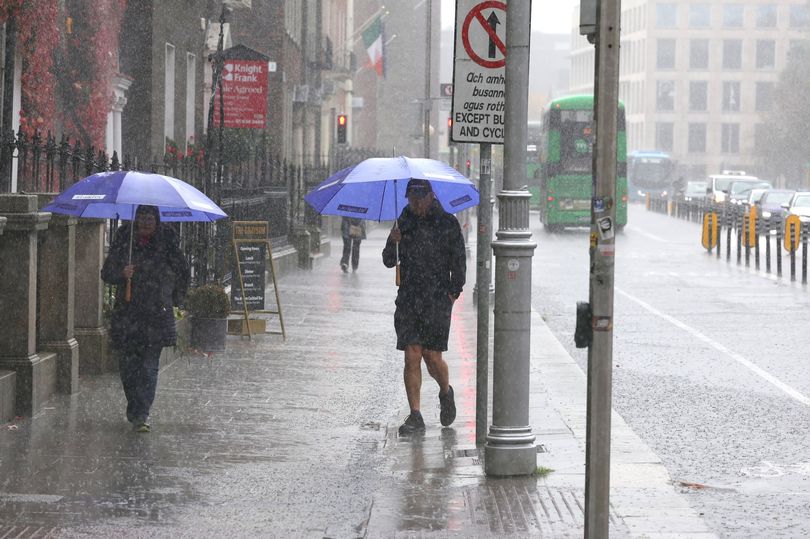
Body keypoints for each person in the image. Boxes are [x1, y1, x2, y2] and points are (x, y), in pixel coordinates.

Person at [382, 179, 466, 435]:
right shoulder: (403, 220)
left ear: (431, 196)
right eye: (411, 199)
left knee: (432, 357)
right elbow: (388, 261)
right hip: (408, 298)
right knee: (411, 354)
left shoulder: (448, 223)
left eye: (419, 199)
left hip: (436, 300)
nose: (414, 204)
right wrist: (392, 240)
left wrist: (452, 293)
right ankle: (415, 415)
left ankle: (445, 391)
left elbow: (459, 264)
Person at [101, 205, 190, 433]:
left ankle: (141, 414)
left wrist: (176, 296)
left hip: (156, 313)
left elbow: (182, 270)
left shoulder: (167, 240)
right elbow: (106, 272)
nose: (146, 222)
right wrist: (122, 273)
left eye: (150, 218)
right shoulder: (124, 238)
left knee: (149, 367)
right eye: (141, 217)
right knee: (128, 367)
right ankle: (135, 406)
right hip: (128, 314)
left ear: (157, 220)